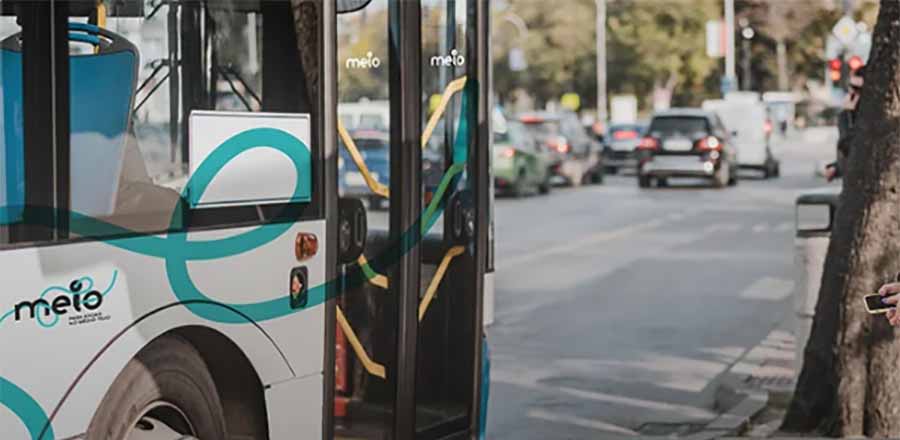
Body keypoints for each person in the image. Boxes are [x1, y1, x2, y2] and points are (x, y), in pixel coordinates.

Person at [824, 65, 866, 182]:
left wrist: (848, 116)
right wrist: (836, 168)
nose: (852, 92)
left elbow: (852, 145)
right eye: (850, 87)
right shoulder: (849, 115)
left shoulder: (864, 117)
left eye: (857, 89)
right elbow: (848, 155)